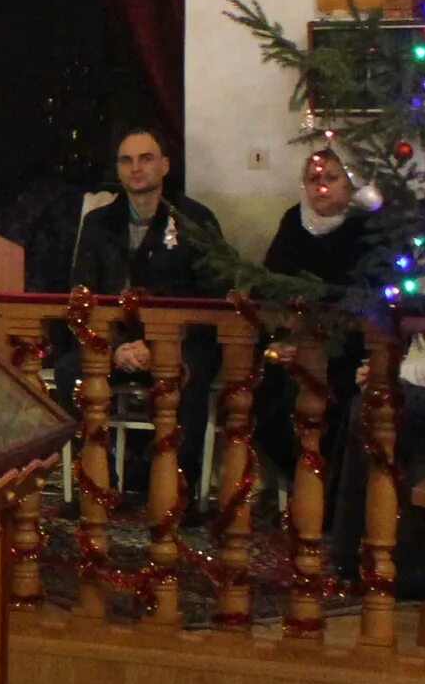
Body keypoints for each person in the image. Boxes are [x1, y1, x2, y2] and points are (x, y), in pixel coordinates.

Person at [63, 124, 226, 504]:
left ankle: (177, 490)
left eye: (146, 158)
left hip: (182, 342)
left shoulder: (195, 220)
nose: (136, 168)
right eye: (127, 160)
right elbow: (82, 294)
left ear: (165, 165)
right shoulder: (98, 223)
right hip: (115, 341)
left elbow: (214, 298)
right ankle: (100, 481)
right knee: (71, 369)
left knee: (188, 375)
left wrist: (159, 346)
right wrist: (114, 348)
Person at [254, 147, 372, 502]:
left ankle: (328, 498)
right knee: (266, 399)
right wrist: (281, 339)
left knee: (337, 404)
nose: (321, 187)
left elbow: (369, 296)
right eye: (314, 179)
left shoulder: (364, 228)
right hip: (293, 346)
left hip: (346, 349)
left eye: (331, 178)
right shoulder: (294, 222)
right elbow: (269, 288)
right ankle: (302, 487)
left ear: (349, 183)